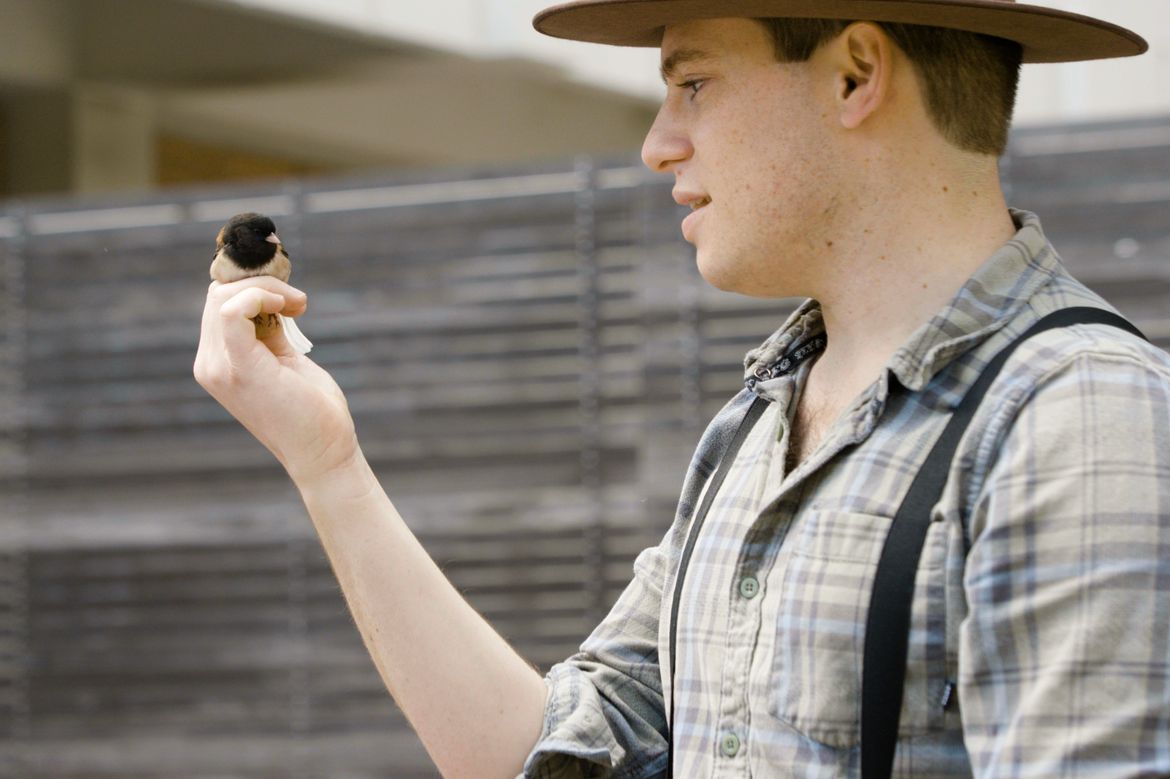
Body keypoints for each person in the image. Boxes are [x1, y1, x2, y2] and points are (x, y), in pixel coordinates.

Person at [194, 1, 1170, 776]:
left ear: (855, 75)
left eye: (693, 83)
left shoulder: (1078, 415)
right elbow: (548, 754)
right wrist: (326, 462)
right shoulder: (754, 428)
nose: (659, 143)